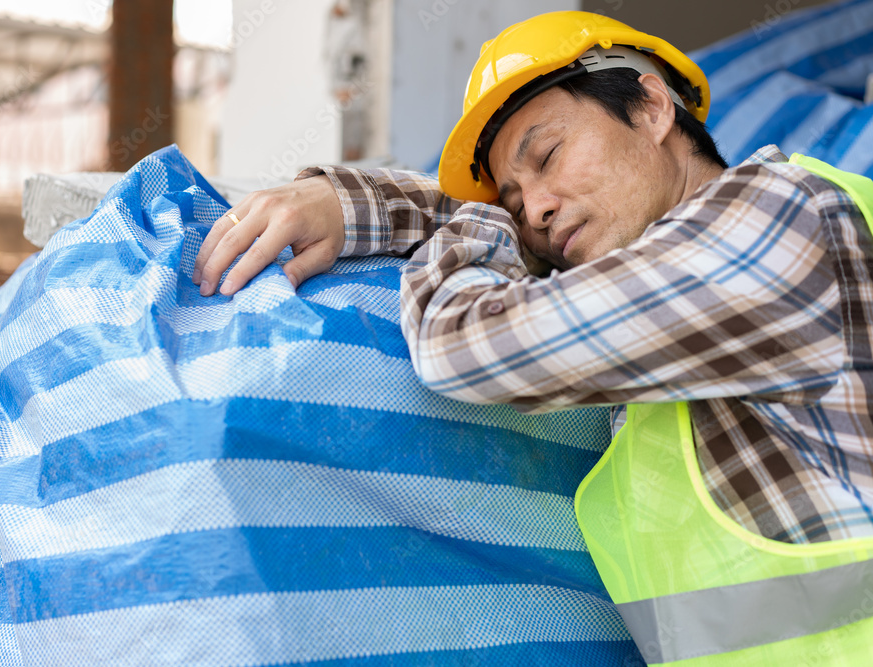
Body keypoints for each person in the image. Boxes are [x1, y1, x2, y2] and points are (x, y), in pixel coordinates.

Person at [193, 11, 873, 663]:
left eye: (548, 154)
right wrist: (355, 201)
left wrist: (476, 228)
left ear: (652, 109)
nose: (538, 211)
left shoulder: (779, 217)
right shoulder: (681, 304)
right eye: (515, 203)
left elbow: (459, 345)